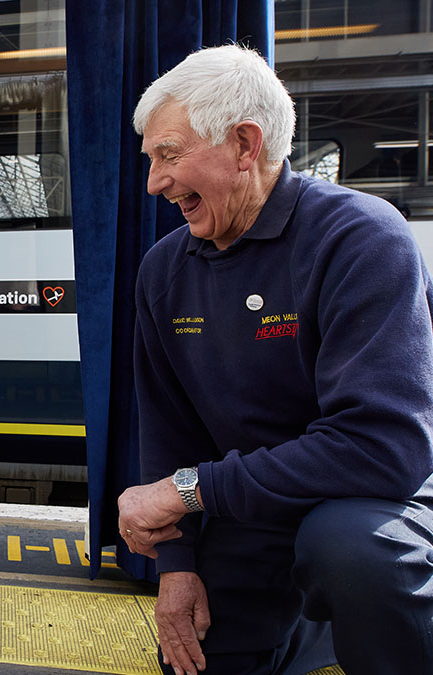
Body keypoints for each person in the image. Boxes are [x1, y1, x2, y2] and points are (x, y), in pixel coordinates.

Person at [116, 44, 433, 675]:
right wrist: (176, 569)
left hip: (374, 504)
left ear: (243, 144)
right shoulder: (164, 270)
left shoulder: (362, 239)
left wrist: (191, 491)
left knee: (348, 552)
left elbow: (383, 448)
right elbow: (169, 428)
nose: (154, 182)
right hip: (249, 511)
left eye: (169, 156)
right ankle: (318, 631)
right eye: (150, 160)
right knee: (199, 658)